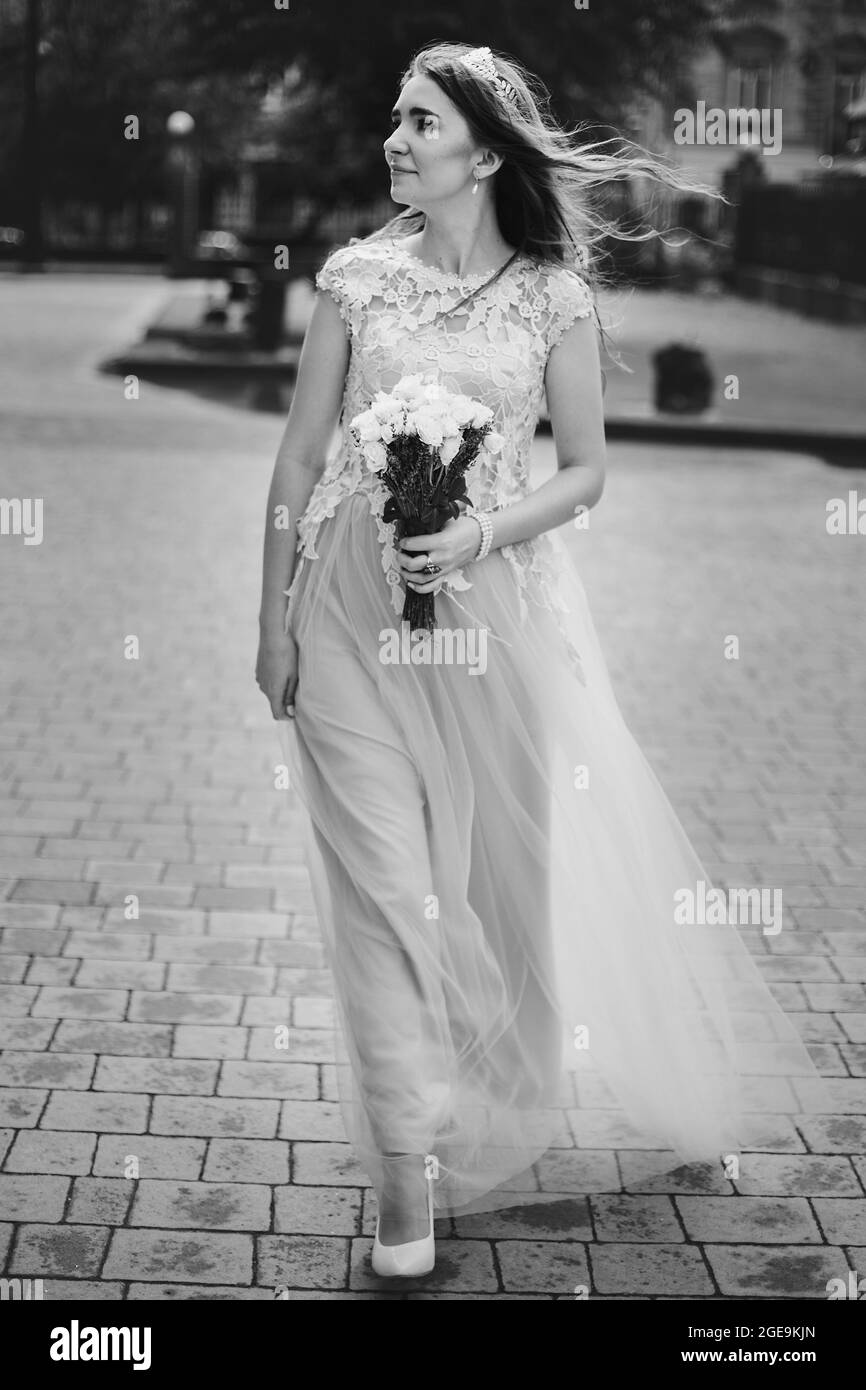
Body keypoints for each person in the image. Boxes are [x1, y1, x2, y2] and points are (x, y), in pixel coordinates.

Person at [256, 41, 825, 1278]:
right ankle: (399, 1177)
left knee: (501, 893)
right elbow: (300, 458)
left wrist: (476, 526)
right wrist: (272, 622)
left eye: (418, 122)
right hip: (347, 609)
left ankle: (493, 1090)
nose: (394, 141)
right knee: (385, 891)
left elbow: (584, 470)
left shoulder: (553, 297)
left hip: (493, 619)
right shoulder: (353, 282)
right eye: (392, 120)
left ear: (483, 151)